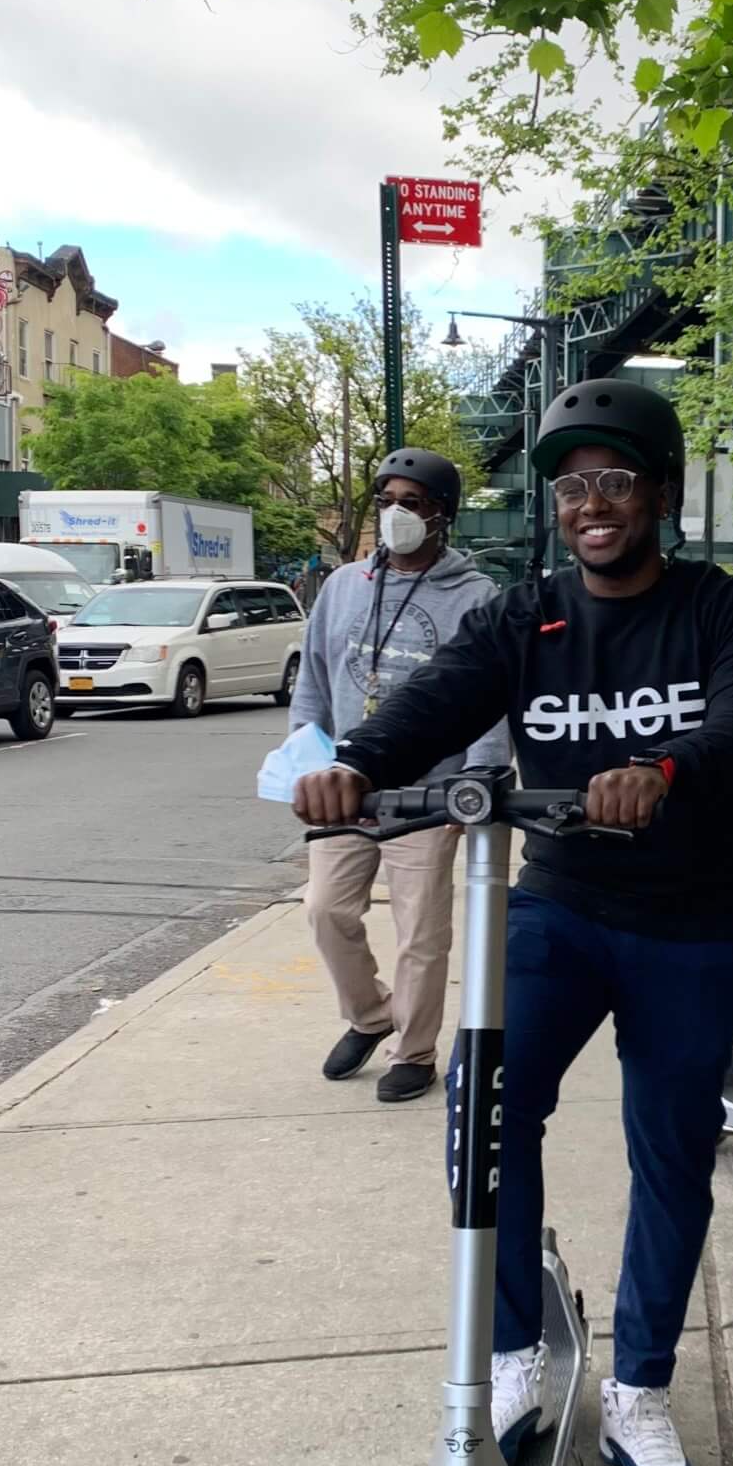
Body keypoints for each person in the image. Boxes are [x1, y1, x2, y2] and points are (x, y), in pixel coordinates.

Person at [293, 380, 733, 1466]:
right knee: (486, 1103)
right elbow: (433, 699)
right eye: (572, 485)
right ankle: (514, 1348)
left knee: (671, 1146)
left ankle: (642, 1385)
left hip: (691, 923)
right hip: (560, 907)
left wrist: (663, 772)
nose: (591, 503)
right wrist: (359, 765)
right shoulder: (528, 618)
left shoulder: (725, 609)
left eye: (615, 478)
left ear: (661, 492)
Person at [291, 446, 507, 1103]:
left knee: (422, 931)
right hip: (347, 785)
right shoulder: (340, 588)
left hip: (430, 792)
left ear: (444, 514)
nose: (395, 513)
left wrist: (481, 779)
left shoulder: (476, 596)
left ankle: (412, 1050)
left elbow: (493, 693)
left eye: (411, 503)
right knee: (325, 910)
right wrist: (308, 763)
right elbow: (315, 685)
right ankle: (370, 1015)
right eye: (386, 500)